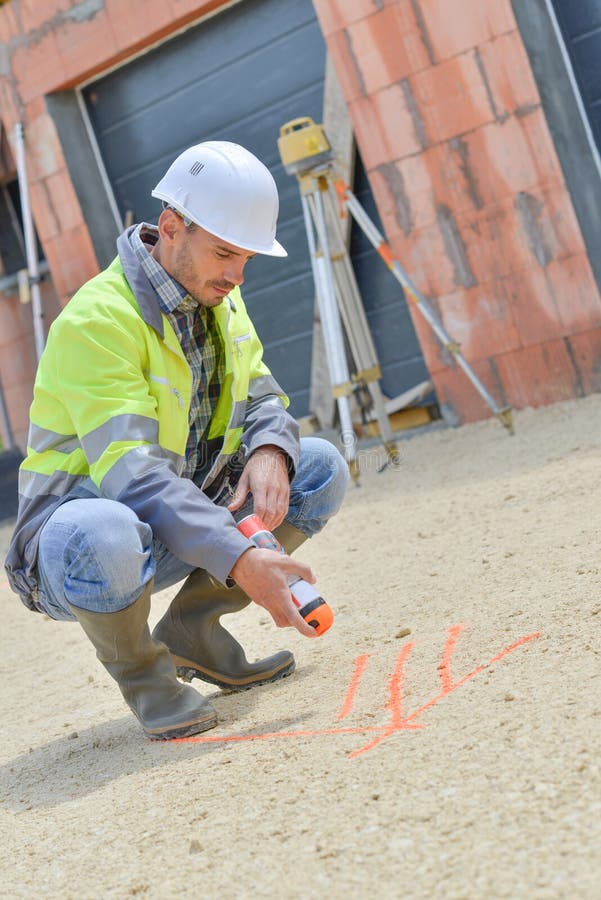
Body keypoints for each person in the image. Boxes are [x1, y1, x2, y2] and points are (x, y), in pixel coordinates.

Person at [4, 141, 348, 741]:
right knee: (104, 529)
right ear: (170, 228)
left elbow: (262, 394)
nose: (237, 275)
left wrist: (270, 449)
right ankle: (148, 680)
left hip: (177, 520)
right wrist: (241, 558)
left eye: (246, 258)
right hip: (83, 549)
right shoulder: (95, 321)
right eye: (225, 253)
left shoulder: (220, 296)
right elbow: (133, 477)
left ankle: (195, 631)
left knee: (316, 465)